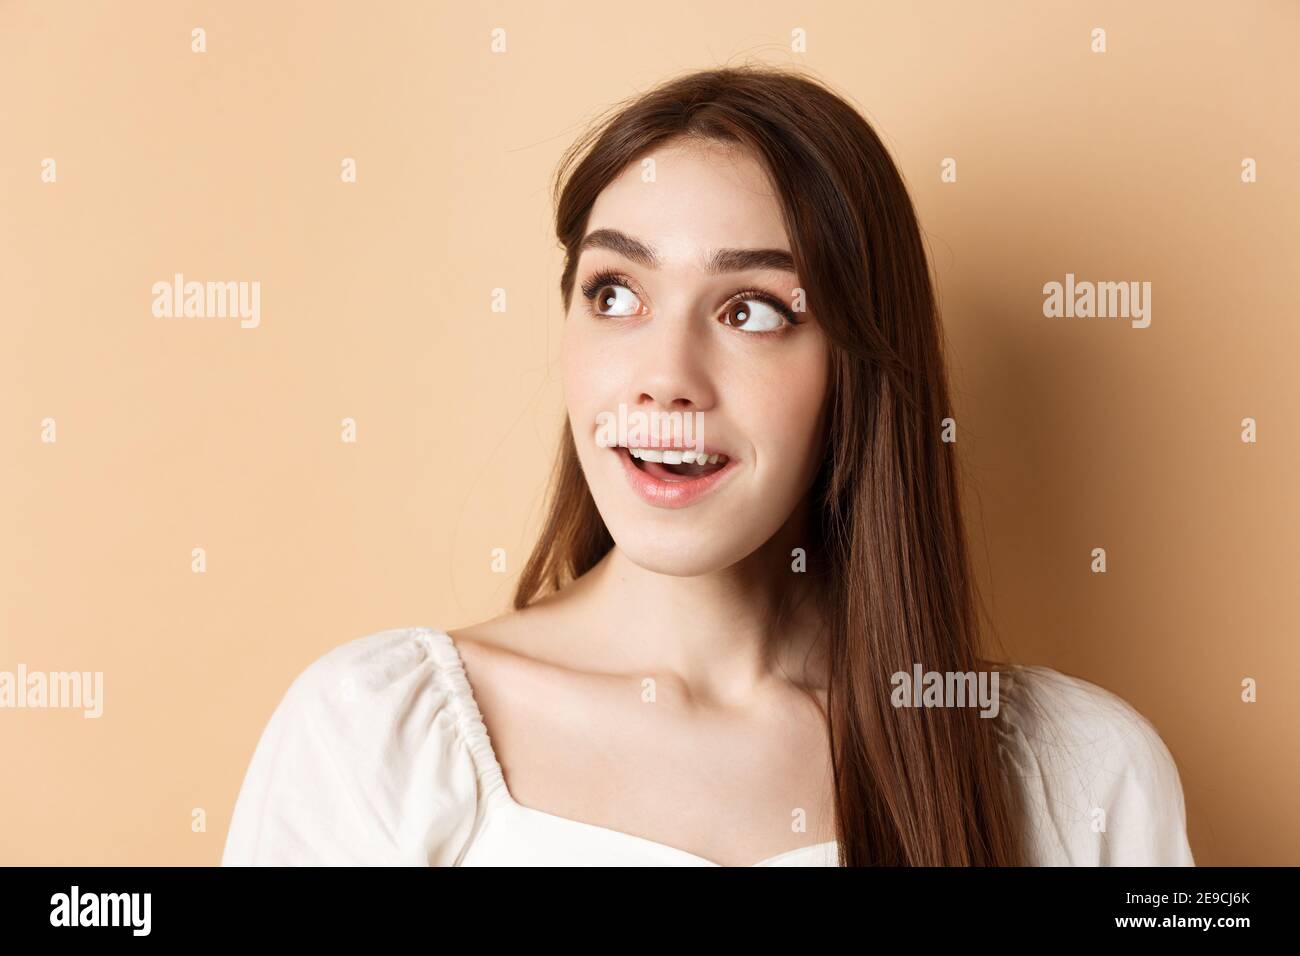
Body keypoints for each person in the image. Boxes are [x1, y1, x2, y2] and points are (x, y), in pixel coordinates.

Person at [222, 65, 1195, 867]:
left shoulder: (1076, 774)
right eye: (614, 293)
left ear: (857, 368)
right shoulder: (370, 736)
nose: (664, 379)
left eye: (753, 309)